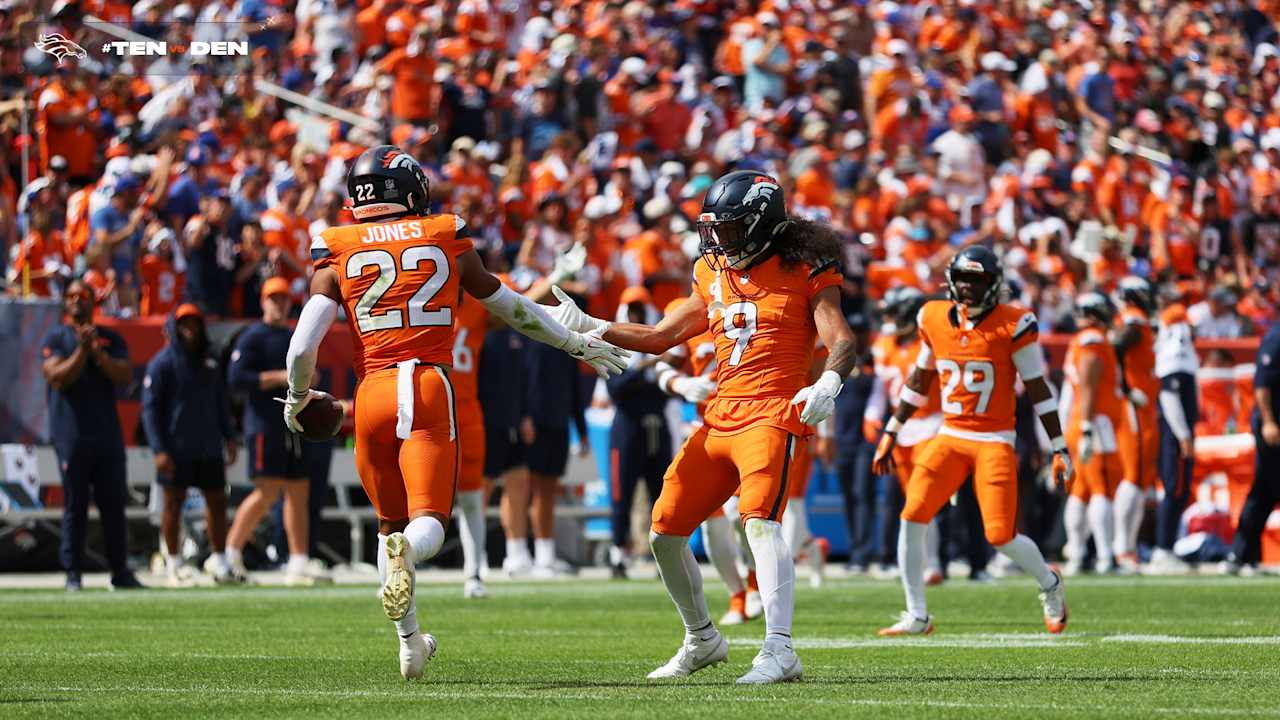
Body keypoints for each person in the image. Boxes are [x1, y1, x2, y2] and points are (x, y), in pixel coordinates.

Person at [282, 145, 628, 680]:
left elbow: (303, 347)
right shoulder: (443, 233)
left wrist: (299, 399)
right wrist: (572, 343)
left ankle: (409, 646)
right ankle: (408, 555)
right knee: (429, 524)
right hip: (426, 385)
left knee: (387, 524)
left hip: (371, 392)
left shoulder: (336, 244)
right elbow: (510, 305)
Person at [548, 170, 859, 684]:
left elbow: (842, 340)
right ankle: (702, 638)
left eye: (731, 230)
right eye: (715, 230)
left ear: (763, 225)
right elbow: (658, 336)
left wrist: (828, 383)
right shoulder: (711, 271)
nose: (719, 241)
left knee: (759, 521)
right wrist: (590, 324)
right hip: (719, 416)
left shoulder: (805, 268)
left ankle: (780, 650)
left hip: (773, 413)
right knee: (665, 531)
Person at [873, 246, 1073, 636]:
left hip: (994, 439)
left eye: (976, 280)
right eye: (963, 278)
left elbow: (1038, 390)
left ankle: (1050, 584)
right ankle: (916, 614)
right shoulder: (932, 317)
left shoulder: (1013, 323)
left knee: (1000, 535)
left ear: (994, 284)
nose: (967, 287)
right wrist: (891, 430)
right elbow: (919, 380)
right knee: (912, 517)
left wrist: (1059, 446)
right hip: (950, 435)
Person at [40, 279, 143, 591]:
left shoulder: (109, 338)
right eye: (70, 296)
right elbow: (57, 377)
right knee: (75, 504)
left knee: (114, 504)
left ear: (92, 302)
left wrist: (97, 353)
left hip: (106, 434)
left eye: (81, 296)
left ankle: (120, 570)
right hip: (71, 435)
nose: (75, 301)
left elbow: (125, 376)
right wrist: (82, 353)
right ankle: (73, 572)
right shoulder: (57, 337)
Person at [225, 277, 326, 585]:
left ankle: (298, 559)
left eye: (283, 299)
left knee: (299, 490)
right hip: (265, 423)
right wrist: (280, 377)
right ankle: (229, 553)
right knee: (267, 491)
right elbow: (237, 377)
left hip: (293, 423)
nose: (279, 304)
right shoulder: (252, 336)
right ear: (263, 302)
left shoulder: (294, 335)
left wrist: (308, 379)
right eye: (274, 298)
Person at [141, 302, 238, 586]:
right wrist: (159, 449)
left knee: (217, 502)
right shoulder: (162, 363)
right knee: (173, 505)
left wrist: (229, 436)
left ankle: (219, 560)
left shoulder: (209, 361)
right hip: (175, 448)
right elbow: (150, 410)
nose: (190, 329)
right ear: (175, 326)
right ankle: (173, 562)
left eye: (194, 323)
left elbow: (221, 403)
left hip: (208, 445)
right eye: (184, 323)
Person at [870, 286, 945, 585]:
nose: (890, 319)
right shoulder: (885, 344)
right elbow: (881, 386)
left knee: (922, 498)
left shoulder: (930, 342)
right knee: (911, 500)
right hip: (901, 429)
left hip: (931, 423)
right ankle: (923, 563)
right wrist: (872, 415)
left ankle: (934, 562)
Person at [604, 287, 674, 580]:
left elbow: (667, 390)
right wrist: (648, 366)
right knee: (623, 493)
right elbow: (615, 388)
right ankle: (619, 551)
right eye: (631, 310)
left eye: (640, 310)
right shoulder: (617, 346)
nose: (636, 315)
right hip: (627, 428)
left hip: (655, 427)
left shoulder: (660, 344)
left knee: (661, 494)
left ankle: (664, 555)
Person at [1059, 293, 1126, 576]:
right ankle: (1105, 555)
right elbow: (1087, 384)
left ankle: (1077, 552)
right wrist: (1087, 427)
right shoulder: (1093, 341)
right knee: (1102, 489)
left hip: (1079, 421)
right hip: (1093, 423)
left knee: (1080, 492)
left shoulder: (1079, 341)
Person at [1221, 320, 1280, 574]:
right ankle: (1240, 554)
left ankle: (1241, 554)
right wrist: (1268, 422)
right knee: (1267, 487)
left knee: (1264, 491)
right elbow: (1262, 385)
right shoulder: (1276, 337)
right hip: (1274, 424)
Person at [1149, 298, 1199, 574]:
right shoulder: (1175, 353)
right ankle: (1163, 548)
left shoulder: (1174, 351)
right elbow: (1170, 396)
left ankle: (1164, 547)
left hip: (1176, 431)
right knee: (1175, 488)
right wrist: (1184, 435)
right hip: (1175, 432)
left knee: (1177, 489)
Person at [1112, 276, 1159, 573]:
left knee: (1139, 479)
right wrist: (1127, 389)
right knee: (1134, 476)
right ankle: (1122, 548)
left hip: (1140, 404)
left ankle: (1125, 547)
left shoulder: (1135, 320)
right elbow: (1115, 346)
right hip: (1135, 407)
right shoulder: (1135, 319)